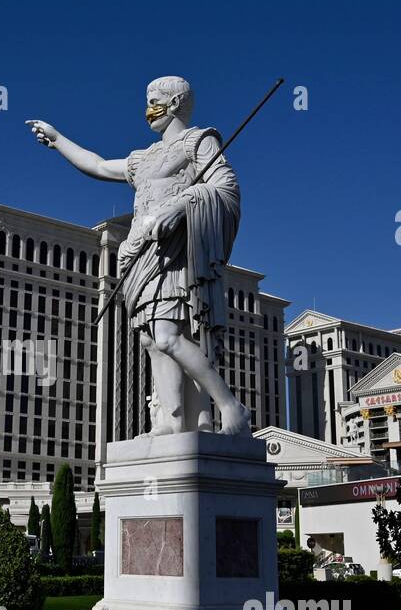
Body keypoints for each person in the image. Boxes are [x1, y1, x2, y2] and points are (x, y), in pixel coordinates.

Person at [27, 76, 249, 434]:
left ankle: (231, 407)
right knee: (150, 339)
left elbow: (225, 188)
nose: (148, 109)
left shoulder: (199, 141)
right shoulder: (143, 158)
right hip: (139, 253)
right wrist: (57, 140)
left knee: (169, 335)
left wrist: (182, 206)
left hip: (174, 253)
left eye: (155, 99)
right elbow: (98, 166)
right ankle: (175, 420)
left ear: (175, 103)